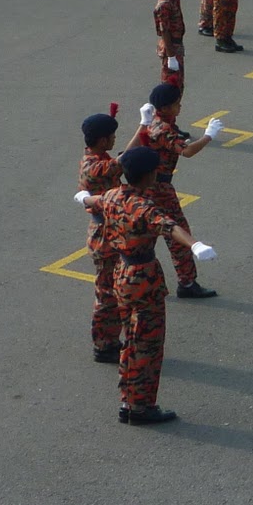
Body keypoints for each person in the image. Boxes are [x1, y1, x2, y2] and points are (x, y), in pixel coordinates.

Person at [79, 145, 216, 425]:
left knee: (131, 340)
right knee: (148, 346)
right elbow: (169, 226)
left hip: (121, 273)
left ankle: (128, 401)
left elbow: (93, 200)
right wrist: (195, 244)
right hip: (143, 279)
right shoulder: (143, 206)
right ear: (150, 175)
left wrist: (82, 197)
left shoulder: (113, 195)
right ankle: (141, 407)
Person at [129, 82, 220, 299]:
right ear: (166, 107)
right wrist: (208, 136)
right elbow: (187, 151)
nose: (180, 107)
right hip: (159, 189)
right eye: (177, 104)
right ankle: (187, 283)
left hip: (149, 185)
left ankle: (134, 280)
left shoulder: (156, 122)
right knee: (178, 234)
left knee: (146, 235)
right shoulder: (163, 128)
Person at [77, 105, 125, 362]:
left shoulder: (96, 158)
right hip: (105, 236)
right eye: (112, 136)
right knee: (107, 294)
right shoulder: (95, 167)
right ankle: (104, 345)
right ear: (103, 140)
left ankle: (109, 339)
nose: (115, 139)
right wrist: (143, 127)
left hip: (109, 230)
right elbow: (123, 163)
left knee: (110, 290)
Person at [154, 0, 186, 89]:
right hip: (171, 47)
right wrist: (171, 56)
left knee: (179, 84)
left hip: (176, 45)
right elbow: (164, 31)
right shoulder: (165, 4)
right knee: (171, 85)